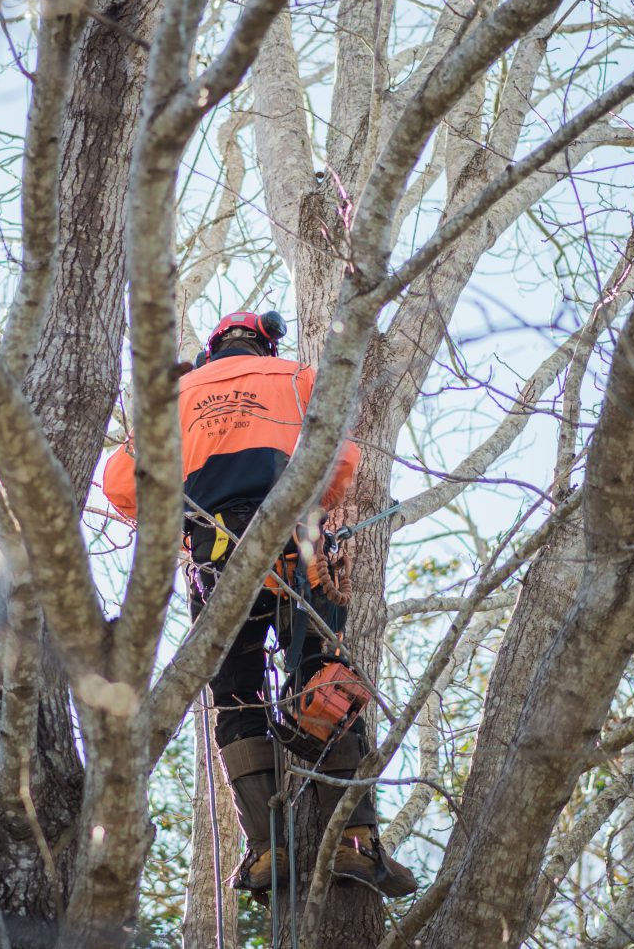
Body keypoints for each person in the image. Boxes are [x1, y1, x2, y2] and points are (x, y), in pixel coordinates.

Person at [103, 310, 416, 898]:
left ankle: (269, 851)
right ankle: (355, 842)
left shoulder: (171, 399)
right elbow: (342, 460)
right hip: (296, 547)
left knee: (237, 696)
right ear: (266, 344)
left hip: (215, 559)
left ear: (212, 349)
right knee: (323, 680)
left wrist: (177, 519)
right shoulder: (300, 377)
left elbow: (120, 486)